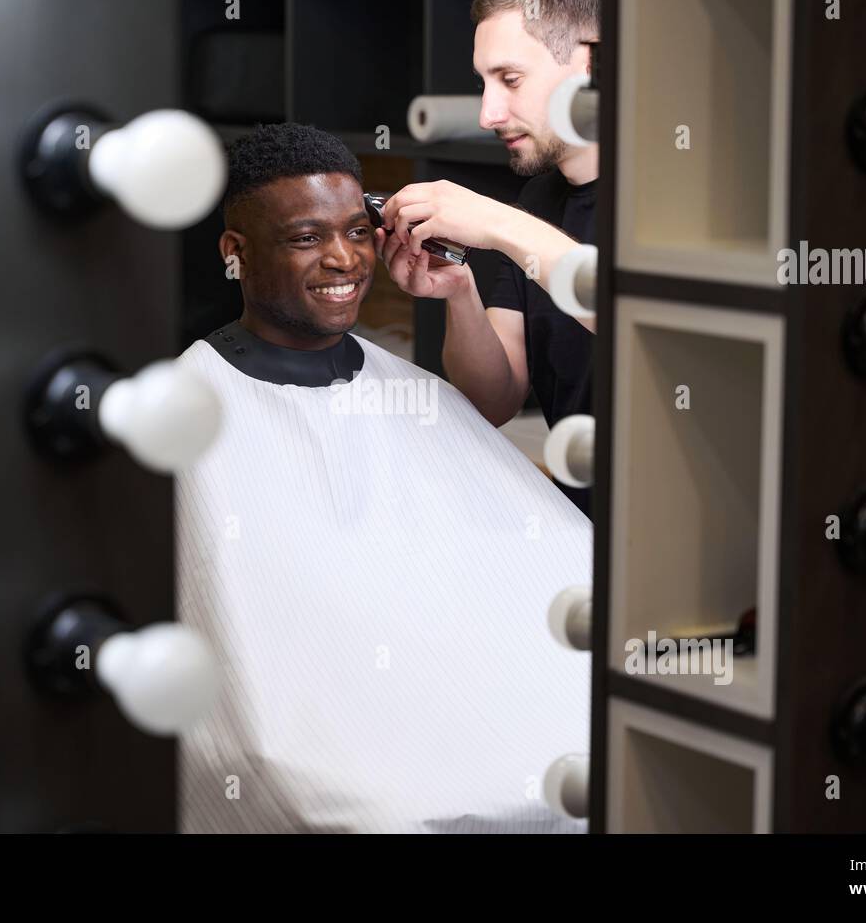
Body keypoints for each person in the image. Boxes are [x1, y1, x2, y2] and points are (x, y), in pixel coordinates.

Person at [174, 122, 590, 833]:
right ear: (234, 255)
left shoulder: (412, 394)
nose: (343, 259)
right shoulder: (186, 414)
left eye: (357, 232)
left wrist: (457, 291)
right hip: (353, 760)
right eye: (307, 238)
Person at [379, 0, 599, 517]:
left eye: (511, 79)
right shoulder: (537, 204)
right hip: (578, 525)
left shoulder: (679, 196)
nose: (488, 114)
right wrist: (460, 293)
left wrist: (496, 224)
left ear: (593, 65)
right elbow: (493, 401)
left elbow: (639, 316)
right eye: (484, 82)